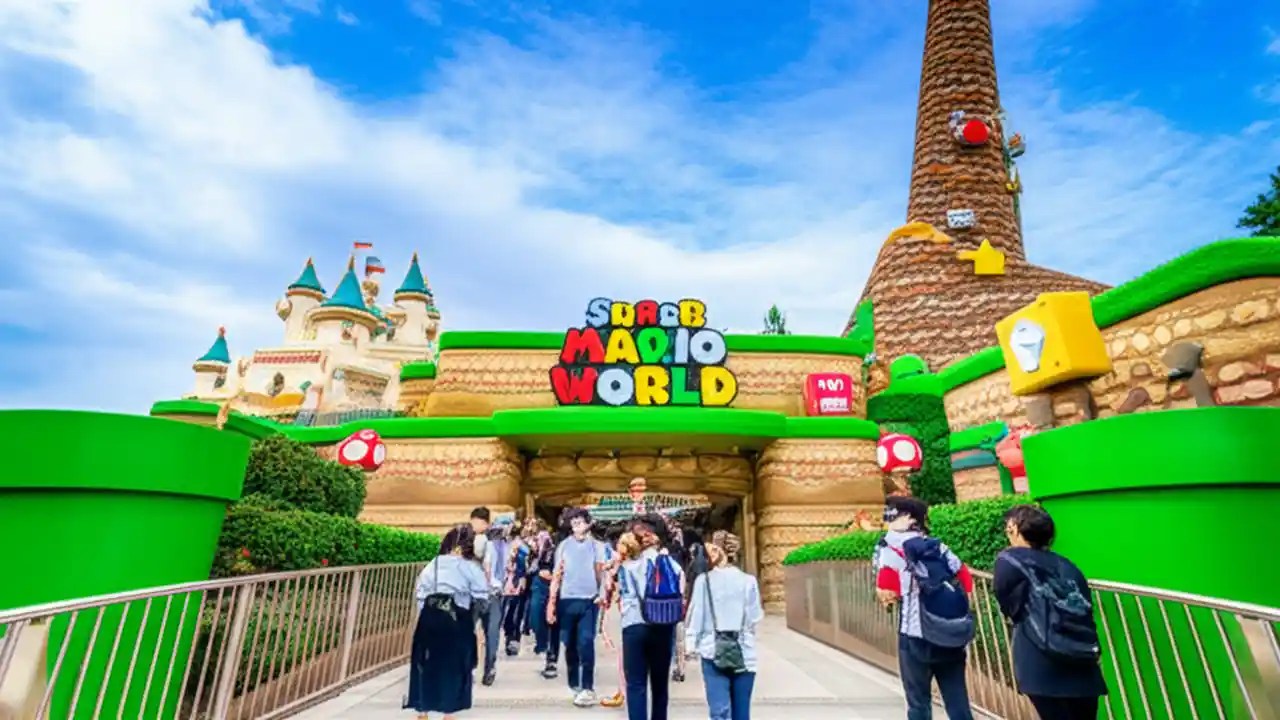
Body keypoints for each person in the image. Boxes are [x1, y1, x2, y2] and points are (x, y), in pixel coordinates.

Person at [994, 505, 1107, 720]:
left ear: (1014, 528)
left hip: (1041, 660)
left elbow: (1009, 605)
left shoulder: (1010, 560)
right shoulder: (1069, 566)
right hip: (1082, 661)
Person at [873, 495, 976, 720]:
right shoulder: (939, 546)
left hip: (914, 637)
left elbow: (887, 590)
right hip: (951, 633)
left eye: (892, 513)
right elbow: (966, 582)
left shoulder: (889, 548)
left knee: (918, 702)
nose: (887, 518)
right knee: (957, 699)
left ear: (909, 518)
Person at [405, 524, 489, 720]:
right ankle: (448, 712)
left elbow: (420, 593)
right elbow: (481, 597)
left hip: (429, 618)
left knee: (425, 663)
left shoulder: (433, 564)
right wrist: (476, 622)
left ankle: (422, 710)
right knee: (453, 666)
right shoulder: (470, 567)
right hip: (456, 621)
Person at [685, 531, 763, 720]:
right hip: (744, 650)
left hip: (712, 649)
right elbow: (755, 617)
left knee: (719, 710)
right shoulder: (749, 581)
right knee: (742, 712)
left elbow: (696, 615)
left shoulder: (704, 581)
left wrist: (690, 645)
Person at [618, 513, 685, 720]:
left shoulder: (627, 566)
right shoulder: (672, 565)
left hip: (633, 626)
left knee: (636, 683)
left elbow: (622, 597)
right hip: (663, 624)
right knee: (660, 684)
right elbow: (681, 591)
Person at [547, 507, 608, 707]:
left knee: (586, 641)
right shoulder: (563, 546)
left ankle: (588, 686)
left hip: (589, 600)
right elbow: (557, 574)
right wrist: (551, 602)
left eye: (580, 523)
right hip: (567, 600)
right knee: (569, 643)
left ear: (588, 524)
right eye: (573, 524)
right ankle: (574, 682)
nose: (576, 527)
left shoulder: (597, 546)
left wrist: (601, 594)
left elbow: (600, 571)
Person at [600, 531, 643, 708]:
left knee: (624, 655)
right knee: (624, 655)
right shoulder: (631, 565)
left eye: (621, 544)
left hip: (625, 612)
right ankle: (624, 689)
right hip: (627, 612)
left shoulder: (626, 567)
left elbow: (620, 590)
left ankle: (624, 691)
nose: (618, 547)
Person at [502, 523, 532, 656]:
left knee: (513, 612)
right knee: (514, 612)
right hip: (513, 582)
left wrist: (520, 579)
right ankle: (512, 639)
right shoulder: (520, 546)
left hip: (514, 582)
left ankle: (512, 639)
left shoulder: (517, 546)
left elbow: (521, 565)